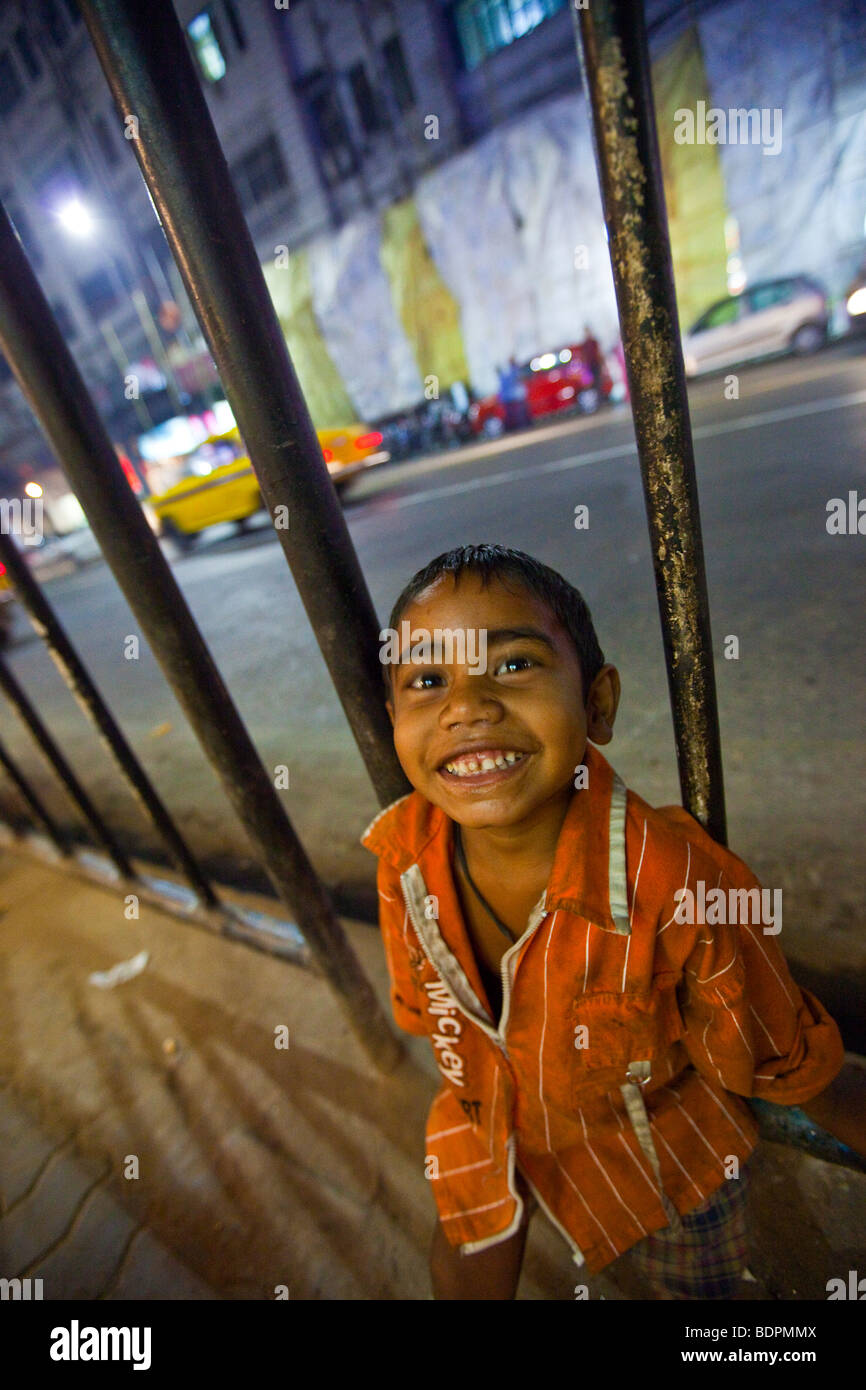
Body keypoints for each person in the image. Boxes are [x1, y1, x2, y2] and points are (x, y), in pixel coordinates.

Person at [363, 543, 865, 1300]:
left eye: (513, 666)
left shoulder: (673, 880)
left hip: (659, 1165)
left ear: (597, 704)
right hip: (486, 1114)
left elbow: (781, 1055)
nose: (465, 706)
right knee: (463, 1265)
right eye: (428, 680)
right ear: (395, 718)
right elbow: (425, 1012)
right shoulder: (402, 853)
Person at [496, 358, 531, 432]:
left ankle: (522, 428)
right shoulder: (507, 375)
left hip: (515, 398)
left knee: (519, 415)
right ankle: (520, 428)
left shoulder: (512, 373)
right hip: (512, 398)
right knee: (516, 416)